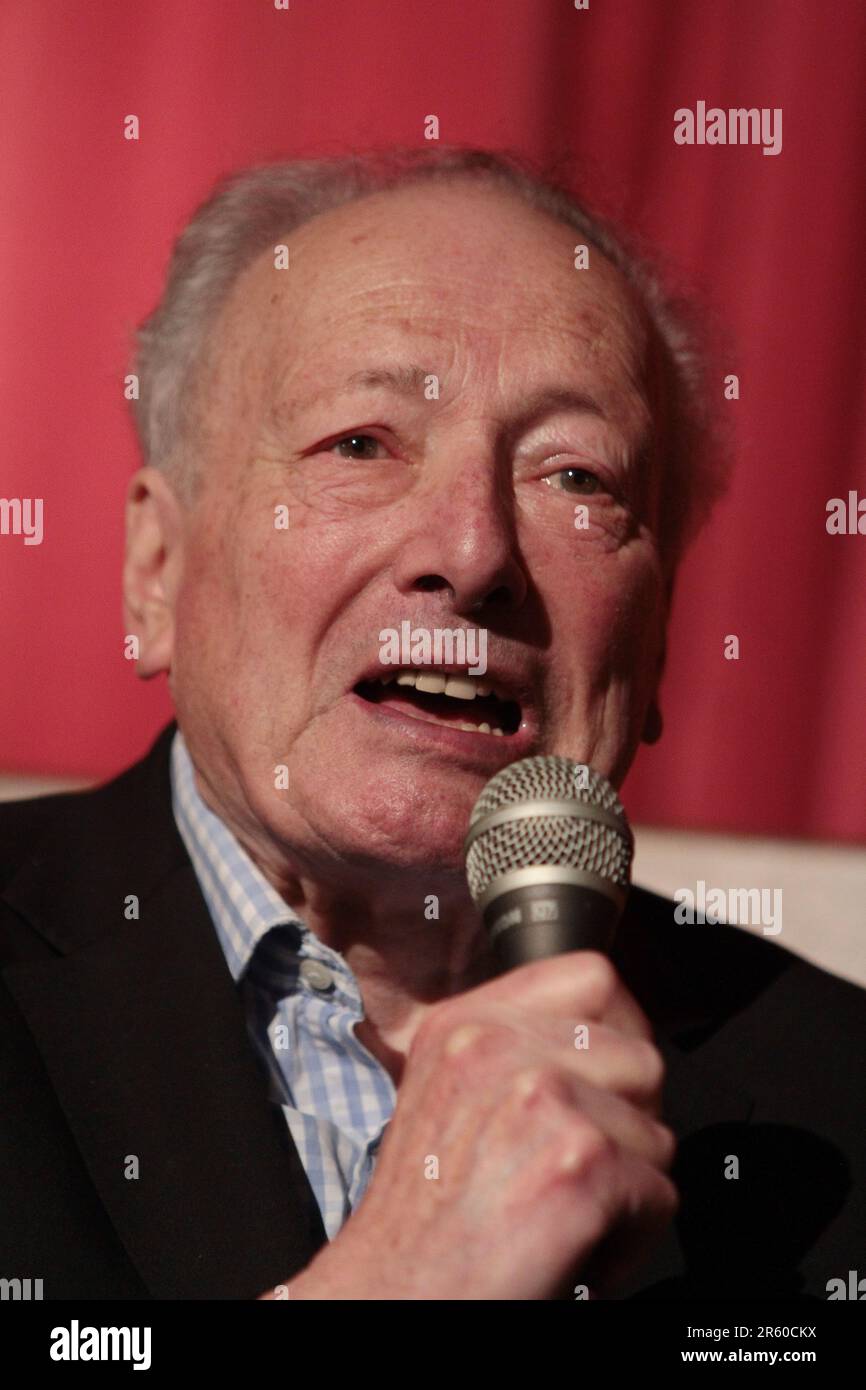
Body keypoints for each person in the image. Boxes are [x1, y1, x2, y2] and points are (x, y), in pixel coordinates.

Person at [1, 148, 863, 1301]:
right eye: (360, 443)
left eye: (577, 478)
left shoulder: (838, 1096)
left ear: (656, 640)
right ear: (157, 570)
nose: (471, 554)